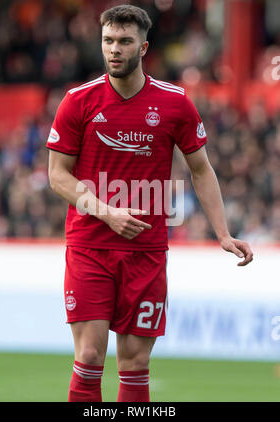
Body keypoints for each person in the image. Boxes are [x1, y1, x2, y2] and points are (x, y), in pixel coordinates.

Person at [46, 4, 253, 403]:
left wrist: (223, 233)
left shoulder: (175, 103)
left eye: (124, 41)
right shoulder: (78, 101)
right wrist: (107, 213)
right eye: (108, 41)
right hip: (90, 246)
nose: (114, 49)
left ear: (143, 47)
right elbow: (58, 175)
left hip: (146, 251)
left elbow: (202, 169)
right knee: (89, 355)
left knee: (135, 364)